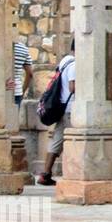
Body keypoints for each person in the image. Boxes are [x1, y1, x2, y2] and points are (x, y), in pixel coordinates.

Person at [36, 45, 75, 187]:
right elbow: (73, 87)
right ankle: (74, 173)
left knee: (57, 141)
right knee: (75, 141)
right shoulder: (75, 64)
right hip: (70, 108)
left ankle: (46, 173)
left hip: (62, 107)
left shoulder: (65, 61)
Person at [9, 39, 32, 108]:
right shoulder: (23, 48)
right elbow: (30, 74)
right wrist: (22, 91)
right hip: (17, 91)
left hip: (0, 91)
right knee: (14, 118)